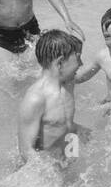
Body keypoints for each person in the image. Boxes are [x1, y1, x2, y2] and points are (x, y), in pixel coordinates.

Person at [18, 30, 84, 164]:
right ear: (59, 63)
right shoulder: (36, 99)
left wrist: (73, 158)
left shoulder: (68, 84)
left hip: (64, 158)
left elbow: (68, 125)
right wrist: (52, 178)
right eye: (77, 58)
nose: (81, 64)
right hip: (44, 170)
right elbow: (26, 152)